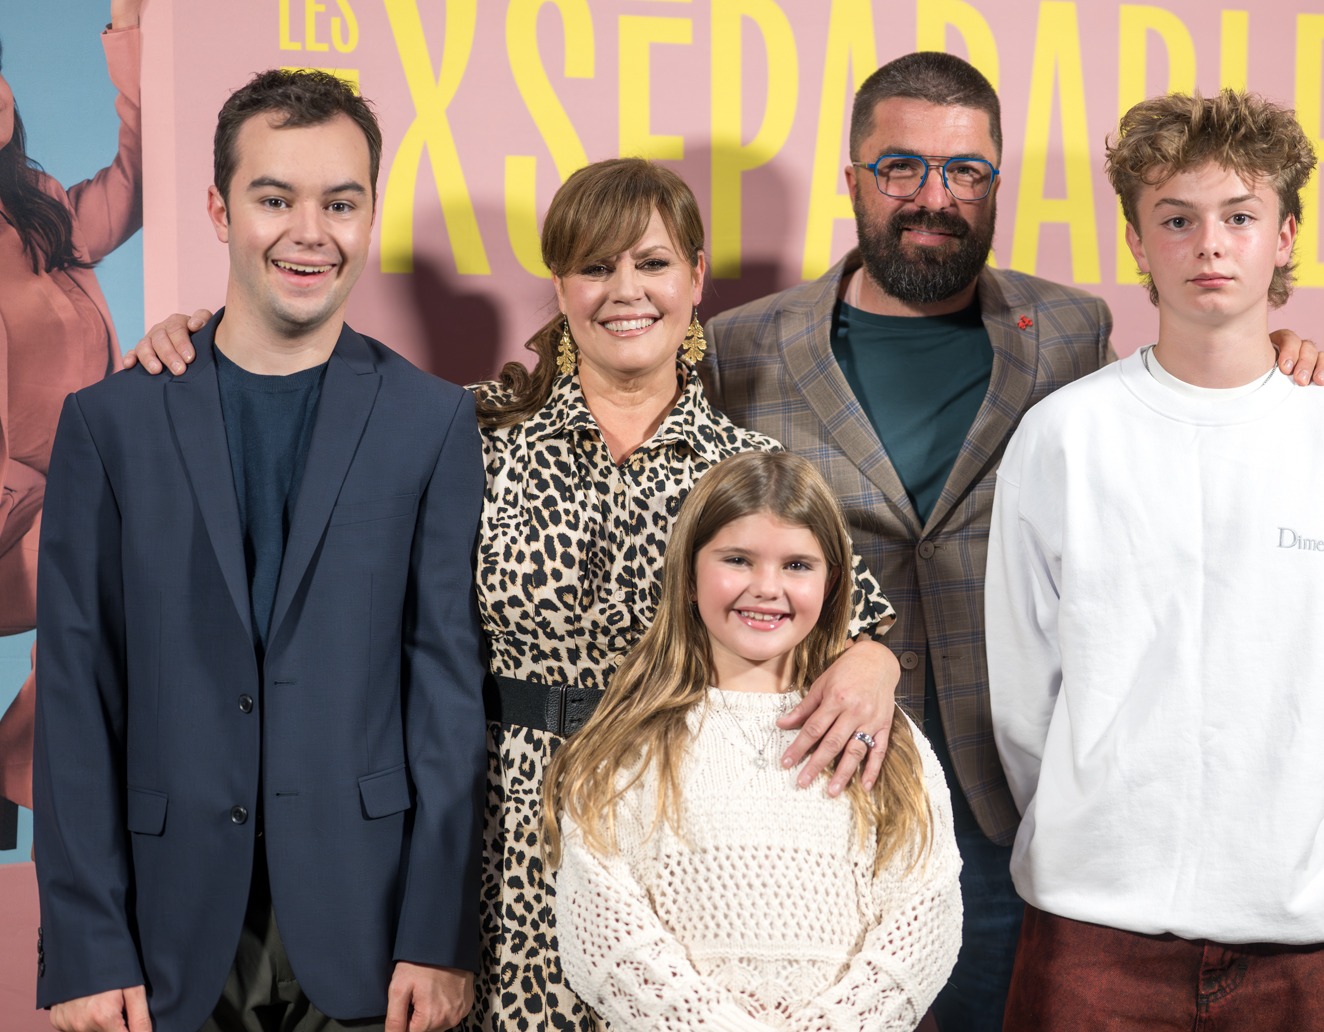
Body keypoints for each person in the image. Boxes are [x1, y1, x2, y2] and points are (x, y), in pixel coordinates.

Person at [125, 158, 905, 1030]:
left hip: (674, 828)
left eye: (650, 264)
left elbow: (847, 613)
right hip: (494, 835)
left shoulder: (746, 472)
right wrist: (200, 339)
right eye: (594, 266)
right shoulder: (465, 429)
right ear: (561, 286)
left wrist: (876, 661)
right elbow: (298, 403)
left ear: (695, 277)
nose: (625, 291)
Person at [699, 51, 1324, 1032]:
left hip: (1006, 816)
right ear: (853, 181)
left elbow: (1173, 413)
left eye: (965, 172)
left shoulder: (1068, 333)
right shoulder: (741, 347)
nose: (934, 197)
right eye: (901, 168)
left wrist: (1278, 360)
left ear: (995, 185)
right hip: (802, 795)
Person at [34, 69, 484, 1032]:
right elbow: (76, 694)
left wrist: (438, 934)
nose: (308, 231)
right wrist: (83, 944)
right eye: (274, 198)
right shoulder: (111, 423)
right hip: (165, 937)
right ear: (217, 207)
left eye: (340, 202)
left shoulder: (433, 422)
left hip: (371, 935)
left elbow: (445, 695)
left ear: (371, 214)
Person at [986, 89, 1324, 1031]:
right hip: (1096, 928)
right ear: (1138, 242)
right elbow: (1026, 696)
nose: (1210, 244)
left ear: (1284, 236)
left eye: (1240, 217)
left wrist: (1318, 837)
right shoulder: (1064, 437)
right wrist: (1096, 826)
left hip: (1316, 931)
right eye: (1177, 219)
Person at [545, 449, 961, 1031]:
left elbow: (924, 914)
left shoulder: (880, 736)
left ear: (831, 581)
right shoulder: (626, 745)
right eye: (737, 559)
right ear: (689, 575)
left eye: (797, 565)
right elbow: (607, 936)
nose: (767, 588)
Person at [0, 0, 159, 837]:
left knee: (128, 584)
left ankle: (21, 774)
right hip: (15, 507)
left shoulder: (42, 210)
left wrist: (127, 22)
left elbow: (141, 177)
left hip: (65, 505)